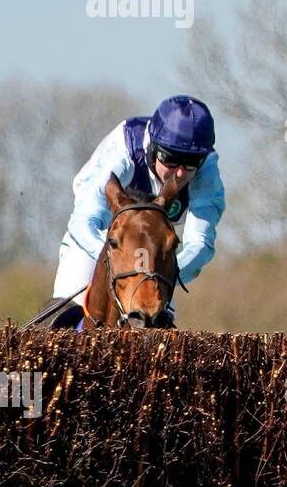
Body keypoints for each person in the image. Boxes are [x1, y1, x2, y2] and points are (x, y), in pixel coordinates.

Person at [39, 95, 226, 328]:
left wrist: (158, 270)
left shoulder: (206, 171)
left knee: (160, 327)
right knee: (63, 314)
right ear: (153, 148)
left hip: (153, 248)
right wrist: (120, 262)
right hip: (98, 238)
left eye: (190, 164)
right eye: (171, 160)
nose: (179, 175)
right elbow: (84, 222)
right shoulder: (123, 152)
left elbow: (200, 244)